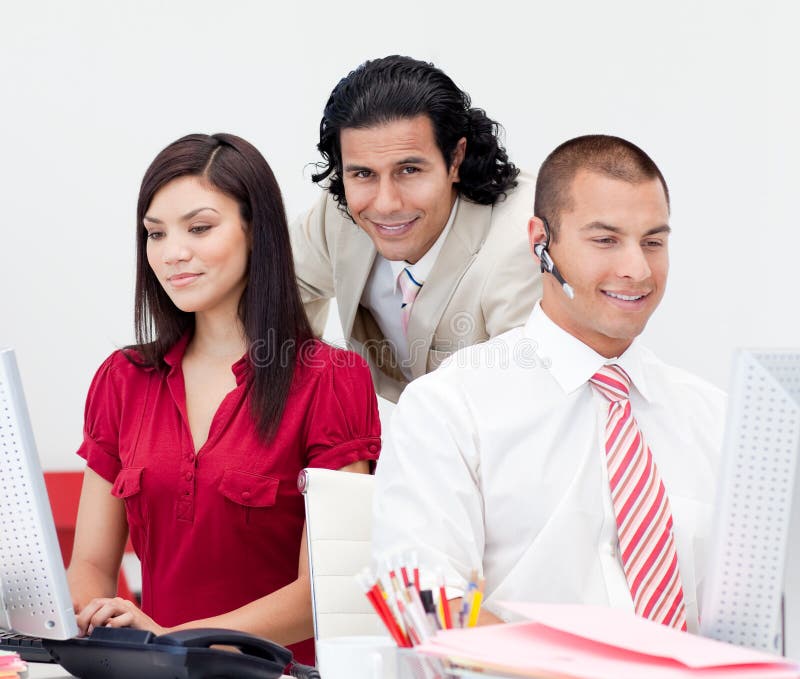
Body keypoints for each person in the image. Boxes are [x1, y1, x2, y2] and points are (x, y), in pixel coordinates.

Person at [372, 135, 725, 633]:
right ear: (541, 241)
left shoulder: (717, 419)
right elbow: (420, 604)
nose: (638, 270)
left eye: (653, 241)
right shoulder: (450, 407)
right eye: (605, 240)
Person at [66, 133, 381, 665]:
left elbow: (325, 587)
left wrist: (175, 637)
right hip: (152, 672)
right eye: (156, 234)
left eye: (200, 227)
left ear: (256, 231)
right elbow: (91, 567)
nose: (173, 253)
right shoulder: (122, 379)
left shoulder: (331, 379)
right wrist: (97, 621)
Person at [291, 55, 542, 402]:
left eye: (409, 170)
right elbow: (271, 292)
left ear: (456, 159)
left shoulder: (522, 241)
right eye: (363, 173)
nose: (385, 204)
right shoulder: (341, 210)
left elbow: (527, 401)